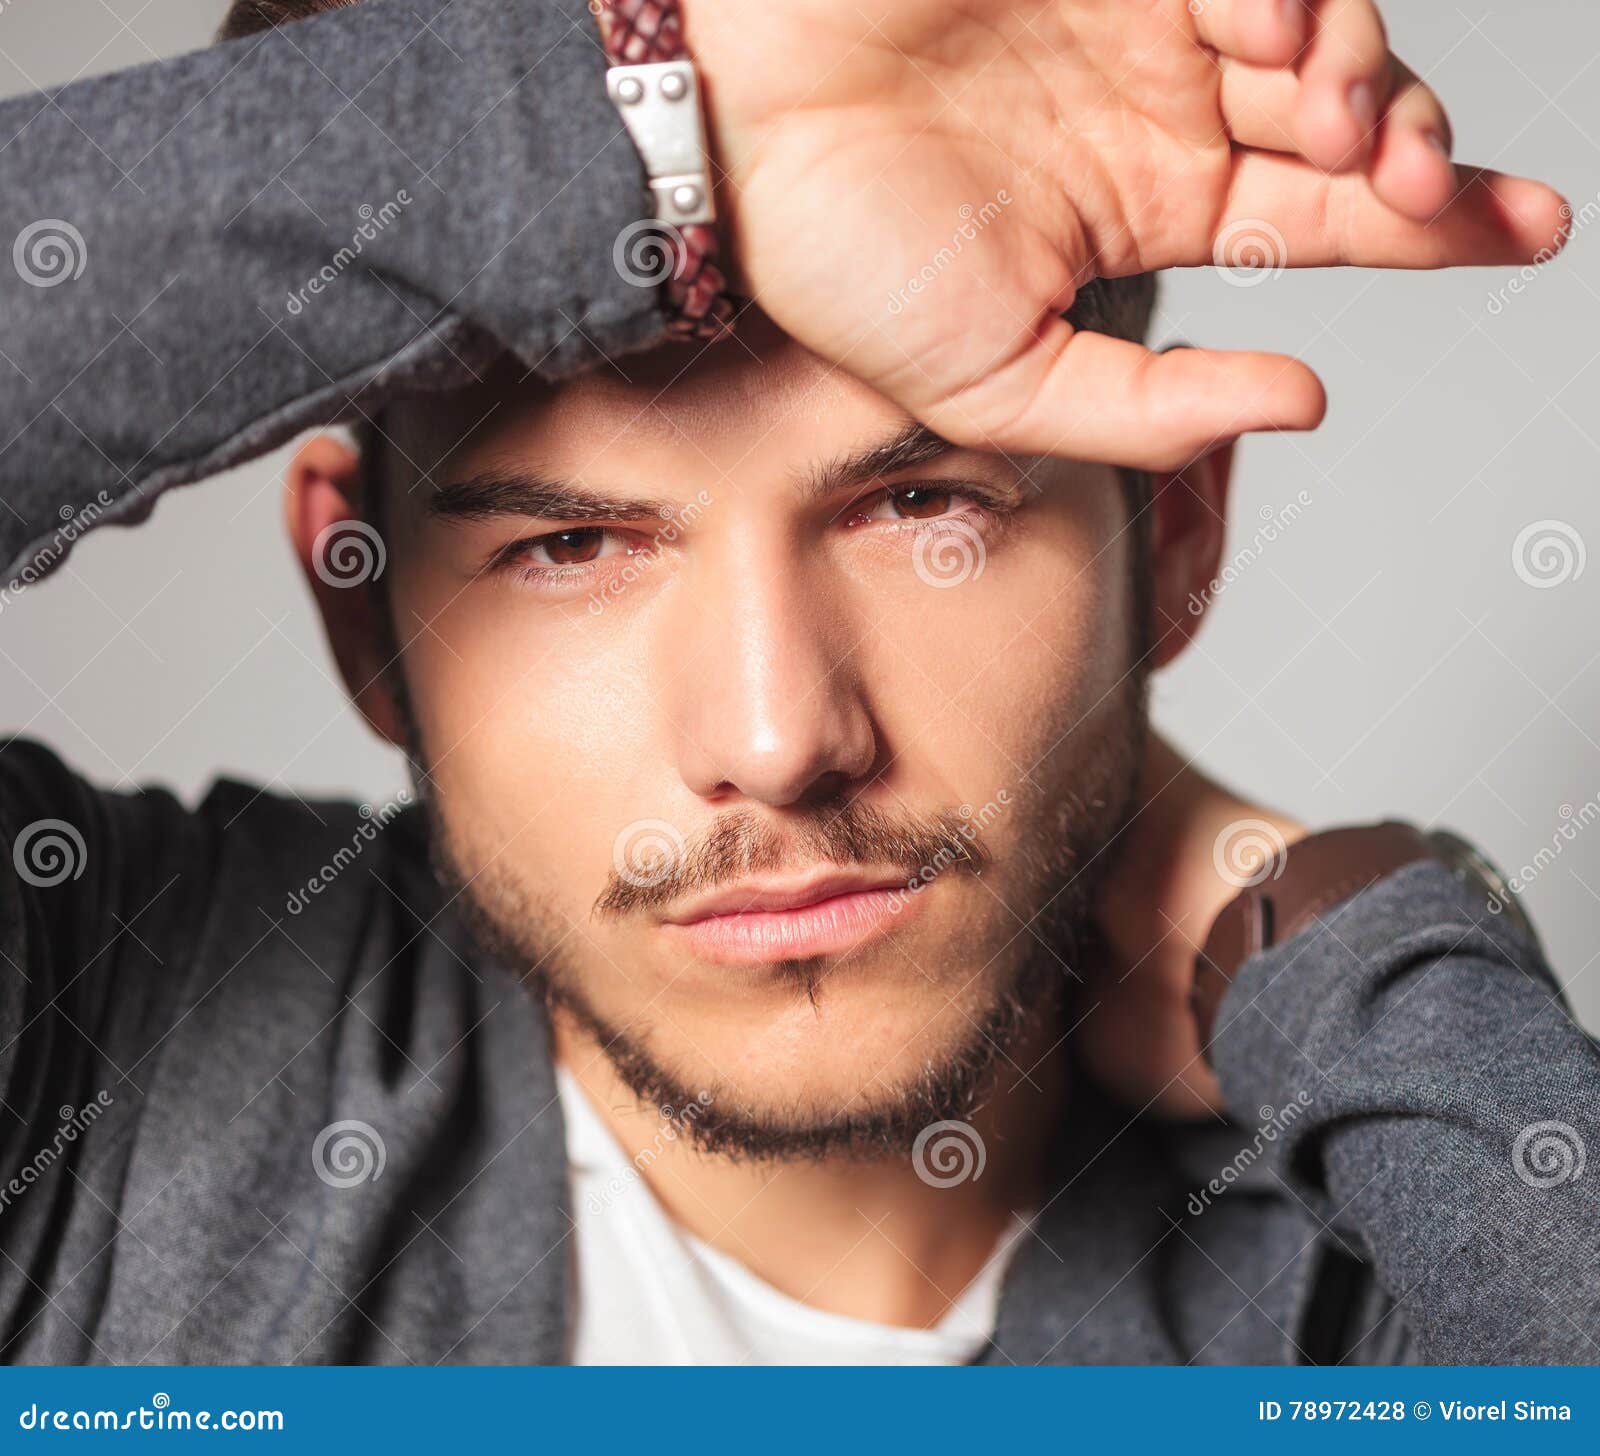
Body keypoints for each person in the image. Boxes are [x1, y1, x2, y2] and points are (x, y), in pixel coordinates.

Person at [0, 0, 1589, 1365]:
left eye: (921, 509)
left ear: (1170, 541)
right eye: (567, 546)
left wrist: (1346, 943)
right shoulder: (104, 1071)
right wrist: (653, 121)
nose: (776, 741)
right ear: (362, 617)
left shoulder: (1363, 1257)